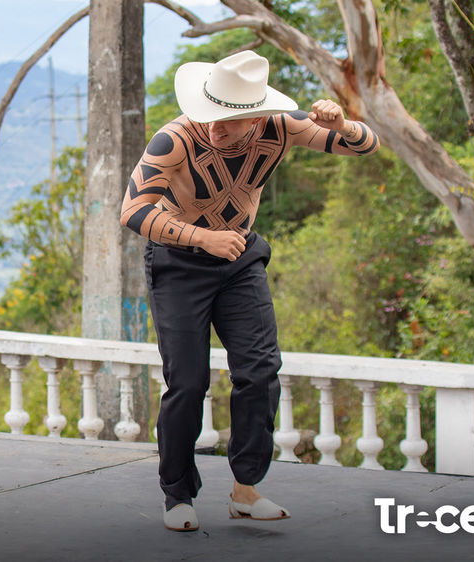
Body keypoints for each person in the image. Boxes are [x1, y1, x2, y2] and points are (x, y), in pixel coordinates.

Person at [120, 50, 380, 531]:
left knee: (260, 371)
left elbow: (366, 147)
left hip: (239, 260)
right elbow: (132, 211)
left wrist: (342, 125)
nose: (215, 129)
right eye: (209, 115)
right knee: (188, 382)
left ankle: (245, 491)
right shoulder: (175, 139)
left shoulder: (281, 127)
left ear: (256, 116)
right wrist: (203, 238)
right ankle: (177, 495)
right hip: (179, 263)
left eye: (228, 122)